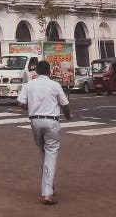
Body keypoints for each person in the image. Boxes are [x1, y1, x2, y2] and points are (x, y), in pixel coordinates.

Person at [17, 60, 71, 206]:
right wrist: (68, 116)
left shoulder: (29, 85)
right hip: (52, 121)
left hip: (35, 121)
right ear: (49, 71)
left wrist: (31, 109)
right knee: (51, 154)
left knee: (44, 154)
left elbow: (20, 103)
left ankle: (48, 184)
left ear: (36, 71)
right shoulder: (54, 85)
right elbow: (65, 104)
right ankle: (47, 193)